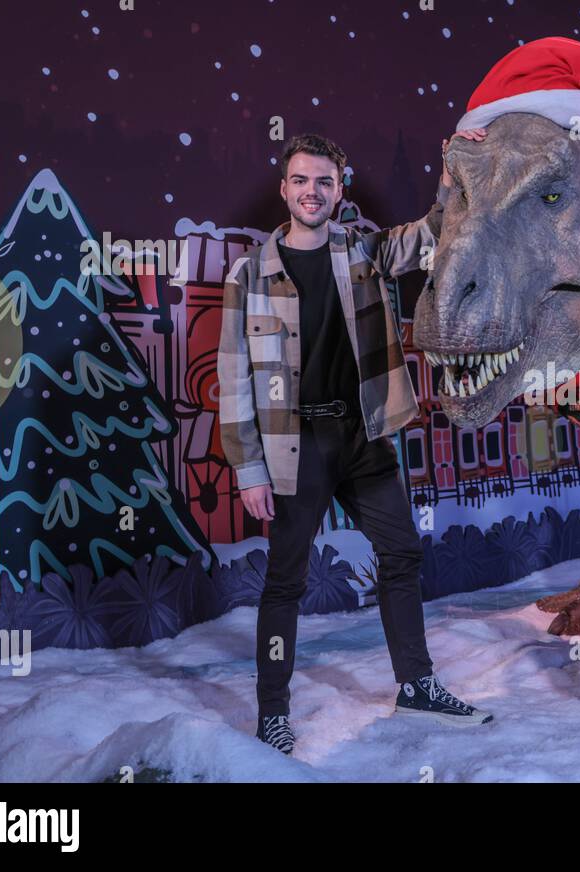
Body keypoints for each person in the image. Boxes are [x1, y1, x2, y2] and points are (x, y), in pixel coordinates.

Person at [218, 131, 490, 755]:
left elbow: (432, 233)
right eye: (301, 180)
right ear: (284, 188)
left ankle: (416, 684)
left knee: (401, 554)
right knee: (285, 581)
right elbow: (233, 378)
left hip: (363, 435)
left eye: (325, 182)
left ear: (340, 191)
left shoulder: (363, 250)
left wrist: (451, 173)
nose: (313, 192)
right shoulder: (249, 275)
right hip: (295, 443)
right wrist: (248, 469)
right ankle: (272, 713)